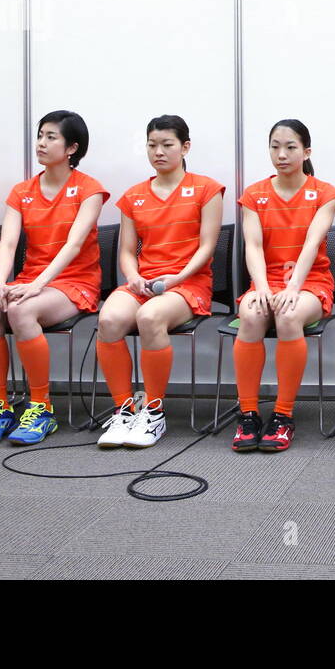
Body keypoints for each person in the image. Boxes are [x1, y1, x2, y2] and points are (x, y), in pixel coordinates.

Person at [0, 111, 108, 446]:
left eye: (51, 137)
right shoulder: (22, 192)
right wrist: (0, 283)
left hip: (74, 281)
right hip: (32, 279)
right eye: (40, 135)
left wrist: (36, 285)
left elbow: (74, 244)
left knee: (20, 311)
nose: (42, 143)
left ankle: (41, 407)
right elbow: (7, 242)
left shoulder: (89, 189)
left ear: (72, 147)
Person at [93, 115, 224, 449]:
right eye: (152, 145)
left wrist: (178, 276)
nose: (159, 152)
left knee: (149, 318)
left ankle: (153, 411)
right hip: (144, 282)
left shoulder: (207, 189)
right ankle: (125, 407)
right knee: (108, 319)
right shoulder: (134, 195)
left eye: (167, 145)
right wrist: (134, 277)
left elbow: (208, 245)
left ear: (185, 147)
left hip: (188, 284)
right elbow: (126, 250)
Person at [231, 120, 335, 454]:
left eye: (291, 147)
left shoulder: (325, 193)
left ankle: (282, 415)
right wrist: (262, 286)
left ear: (306, 152)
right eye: (275, 146)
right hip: (267, 281)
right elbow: (252, 246)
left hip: (310, 283)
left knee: (288, 316)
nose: (281, 154)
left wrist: (293, 286)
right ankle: (248, 413)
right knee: (251, 315)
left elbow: (312, 242)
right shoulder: (254, 194)